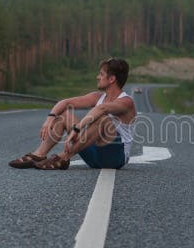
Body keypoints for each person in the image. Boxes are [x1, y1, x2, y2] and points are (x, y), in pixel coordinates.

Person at [8, 57, 136, 170]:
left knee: (103, 119)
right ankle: (38, 155)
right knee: (64, 114)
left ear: (112, 79)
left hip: (114, 158)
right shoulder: (97, 97)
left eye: (101, 74)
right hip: (94, 157)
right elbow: (65, 102)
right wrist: (49, 119)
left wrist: (77, 128)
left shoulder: (126, 101)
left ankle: (64, 157)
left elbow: (102, 109)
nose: (98, 77)